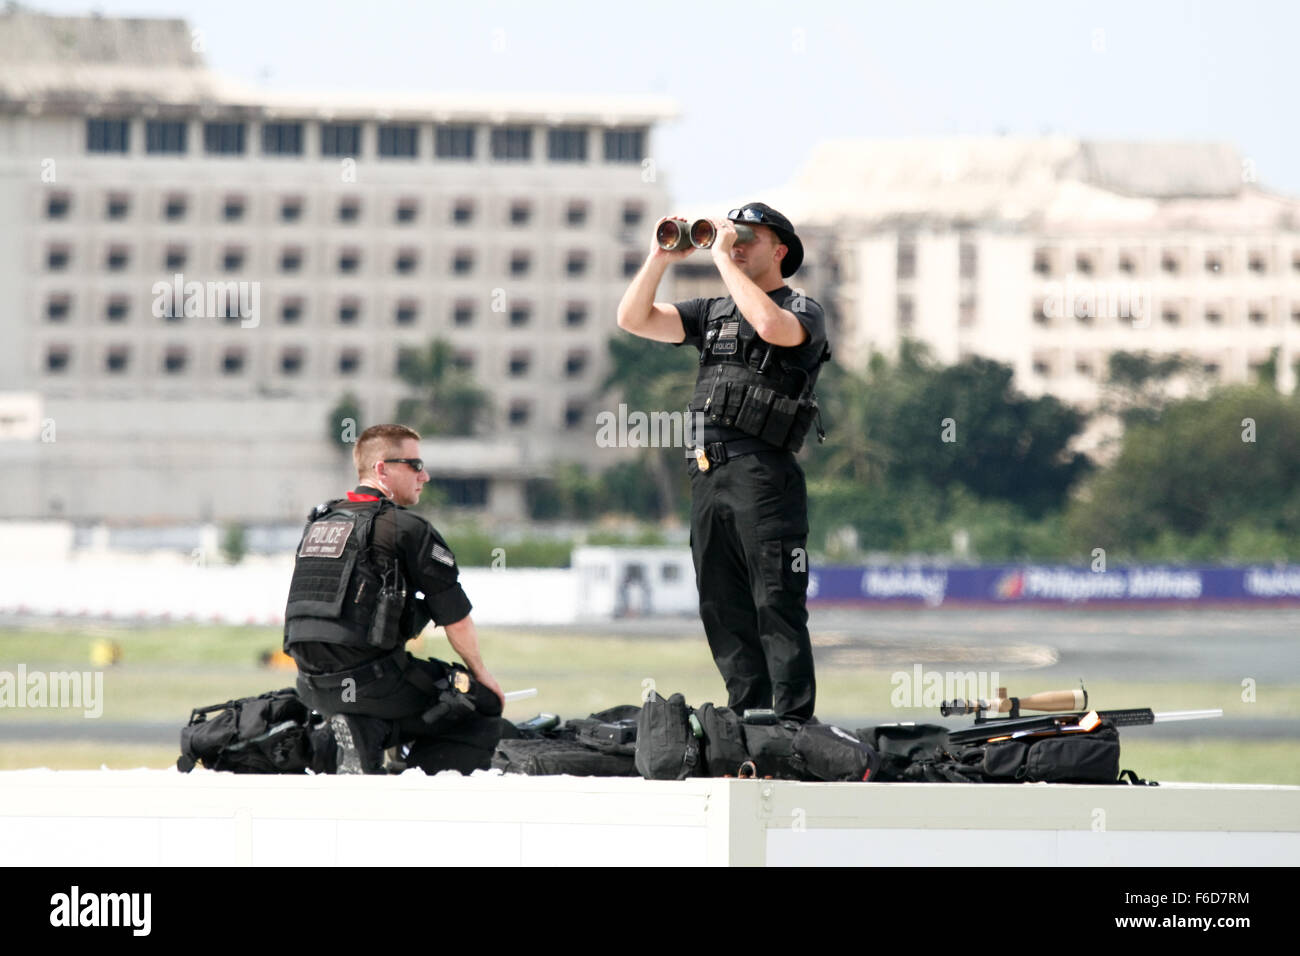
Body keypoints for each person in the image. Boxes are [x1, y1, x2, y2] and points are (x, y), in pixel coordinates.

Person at [616, 203, 830, 722]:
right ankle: (747, 719)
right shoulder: (713, 312)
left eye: (749, 238)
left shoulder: (801, 308)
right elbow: (633, 318)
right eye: (733, 236)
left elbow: (770, 325)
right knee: (722, 607)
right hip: (707, 474)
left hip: (762, 475)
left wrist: (721, 259)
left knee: (774, 604)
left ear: (779, 250)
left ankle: (793, 725)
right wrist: (660, 256)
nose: (736, 244)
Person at [282, 423, 508, 773]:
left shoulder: (319, 524)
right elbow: (455, 618)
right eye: (415, 465)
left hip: (310, 687)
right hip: (370, 684)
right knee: (480, 704)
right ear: (382, 469)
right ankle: (392, 758)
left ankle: (342, 740)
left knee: (409, 688)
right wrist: (482, 675)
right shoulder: (407, 529)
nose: (425, 476)